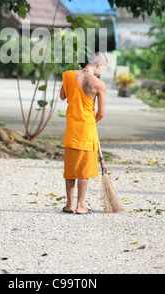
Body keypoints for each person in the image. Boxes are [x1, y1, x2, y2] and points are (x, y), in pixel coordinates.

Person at [59, 51, 108, 214]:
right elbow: (100, 113)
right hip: (87, 129)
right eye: (103, 70)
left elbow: (62, 96)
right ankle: (81, 205)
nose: (101, 73)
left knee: (71, 168)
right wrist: (91, 122)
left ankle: (70, 204)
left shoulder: (68, 75)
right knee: (84, 170)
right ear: (98, 65)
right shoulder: (99, 84)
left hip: (72, 128)